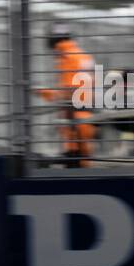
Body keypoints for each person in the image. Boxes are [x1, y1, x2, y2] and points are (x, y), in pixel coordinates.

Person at [37, 24, 97, 167]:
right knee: (83, 159)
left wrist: (44, 93)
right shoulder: (83, 55)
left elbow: (70, 93)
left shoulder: (67, 57)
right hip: (87, 112)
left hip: (75, 116)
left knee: (76, 161)